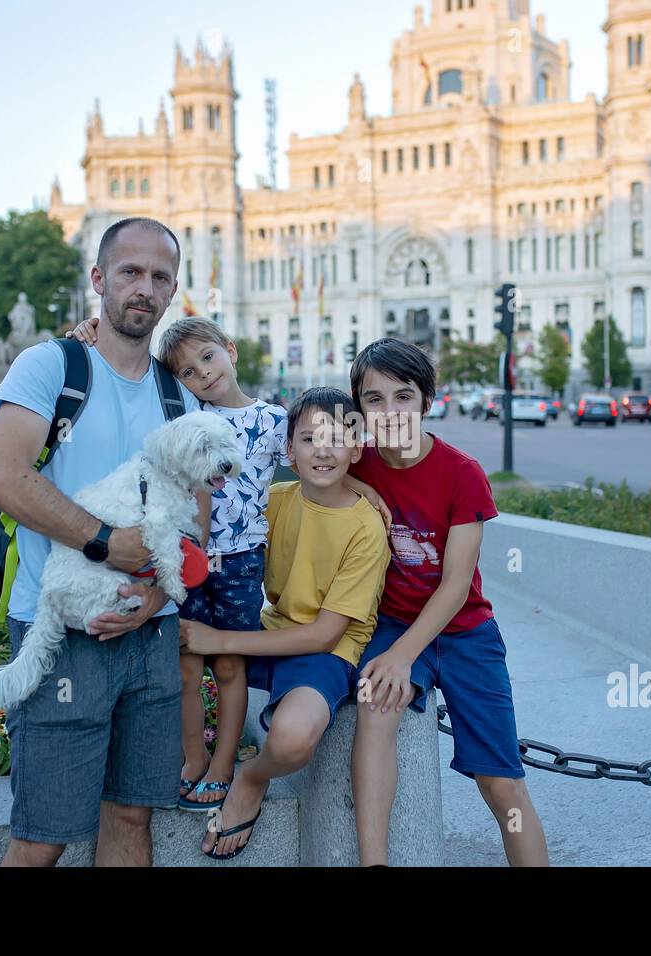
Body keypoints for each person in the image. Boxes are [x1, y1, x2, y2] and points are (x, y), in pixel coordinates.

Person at [0, 217, 209, 867]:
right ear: (100, 278)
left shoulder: (178, 400)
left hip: (151, 633)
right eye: (131, 272)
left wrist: (156, 594)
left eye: (161, 277)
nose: (146, 288)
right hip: (61, 634)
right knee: (43, 836)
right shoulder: (51, 365)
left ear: (173, 291)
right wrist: (109, 543)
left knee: (132, 816)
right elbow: (1, 476)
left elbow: (196, 523)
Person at [343, 337, 550, 867]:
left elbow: (456, 584)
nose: (390, 412)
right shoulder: (355, 465)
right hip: (393, 621)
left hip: (464, 633)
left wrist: (402, 655)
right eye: (374, 399)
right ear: (358, 406)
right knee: (375, 707)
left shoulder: (462, 473)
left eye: (403, 396)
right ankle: (374, 861)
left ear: (427, 401)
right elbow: (281, 432)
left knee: (501, 784)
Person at [179, 387, 390, 859]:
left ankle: (251, 777)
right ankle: (194, 761)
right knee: (176, 657)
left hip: (323, 651)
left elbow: (324, 633)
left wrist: (218, 637)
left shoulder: (365, 527)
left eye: (338, 439)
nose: (324, 449)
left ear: (357, 448)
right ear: (288, 450)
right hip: (270, 631)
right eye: (311, 439)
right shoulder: (272, 502)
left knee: (293, 739)